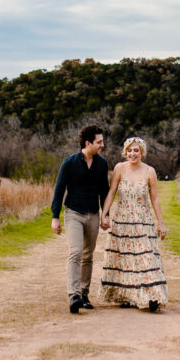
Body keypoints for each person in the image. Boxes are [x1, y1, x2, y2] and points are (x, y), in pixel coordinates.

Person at [100, 136, 168, 312]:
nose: (132, 153)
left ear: (142, 152)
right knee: (125, 259)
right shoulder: (119, 169)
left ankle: (153, 296)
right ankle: (126, 295)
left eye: (136, 150)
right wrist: (104, 214)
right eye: (129, 150)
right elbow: (112, 192)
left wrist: (161, 222)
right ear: (125, 152)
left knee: (147, 258)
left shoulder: (149, 171)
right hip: (122, 220)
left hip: (142, 221)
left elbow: (155, 198)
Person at [51, 124, 110, 314]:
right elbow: (59, 191)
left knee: (88, 254)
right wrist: (55, 217)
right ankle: (74, 295)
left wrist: (105, 215)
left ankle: (84, 294)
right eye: (99, 142)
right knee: (75, 251)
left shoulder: (102, 164)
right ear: (88, 143)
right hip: (73, 213)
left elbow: (104, 192)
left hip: (93, 214)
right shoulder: (69, 163)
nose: (102, 145)